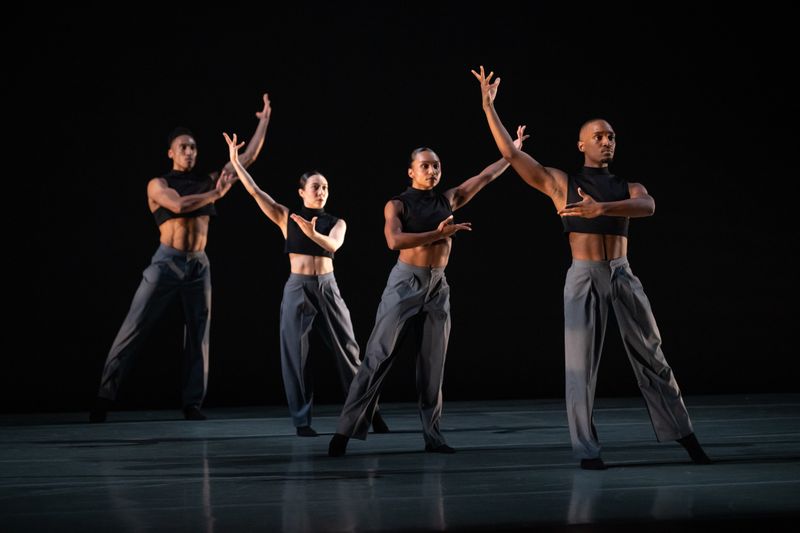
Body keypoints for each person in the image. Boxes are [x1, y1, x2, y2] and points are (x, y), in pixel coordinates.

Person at [472, 66, 712, 469]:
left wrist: (603, 208)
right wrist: (487, 105)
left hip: (622, 272)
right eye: (598, 136)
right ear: (582, 143)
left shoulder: (626, 186)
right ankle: (587, 450)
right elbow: (512, 155)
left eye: (611, 136)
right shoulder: (559, 182)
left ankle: (685, 435)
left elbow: (648, 205)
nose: (606, 141)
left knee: (653, 356)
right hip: (583, 274)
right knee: (580, 366)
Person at [328, 132, 528, 457]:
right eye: (425, 166)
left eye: (436, 166)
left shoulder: (447, 199)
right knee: (377, 358)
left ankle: (433, 436)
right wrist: (436, 234)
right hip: (405, 283)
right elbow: (393, 241)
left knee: (433, 365)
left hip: (438, 287)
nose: (432, 171)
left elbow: (485, 176)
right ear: (411, 171)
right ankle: (344, 432)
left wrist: (512, 152)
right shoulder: (398, 204)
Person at [89, 93, 272, 423]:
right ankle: (105, 395)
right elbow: (178, 206)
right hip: (166, 263)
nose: (190, 152)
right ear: (171, 152)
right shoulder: (160, 184)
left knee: (198, 333)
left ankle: (192, 403)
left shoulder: (206, 178)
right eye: (183, 147)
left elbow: (247, 158)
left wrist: (264, 120)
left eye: (194, 148)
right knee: (133, 327)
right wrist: (217, 194)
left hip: (199, 264)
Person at [222, 132, 389, 437]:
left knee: (350, 353)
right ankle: (302, 421)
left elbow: (333, 246)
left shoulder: (337, 222)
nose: (321, 192)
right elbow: (256, 192)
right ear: (301, 192)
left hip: (327, 286)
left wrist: (312, 233)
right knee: (295, 354)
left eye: (325, 187)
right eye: (315, 187)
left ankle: (369, 412)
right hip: (297, 287)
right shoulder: (286, 216)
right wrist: (236, 163)